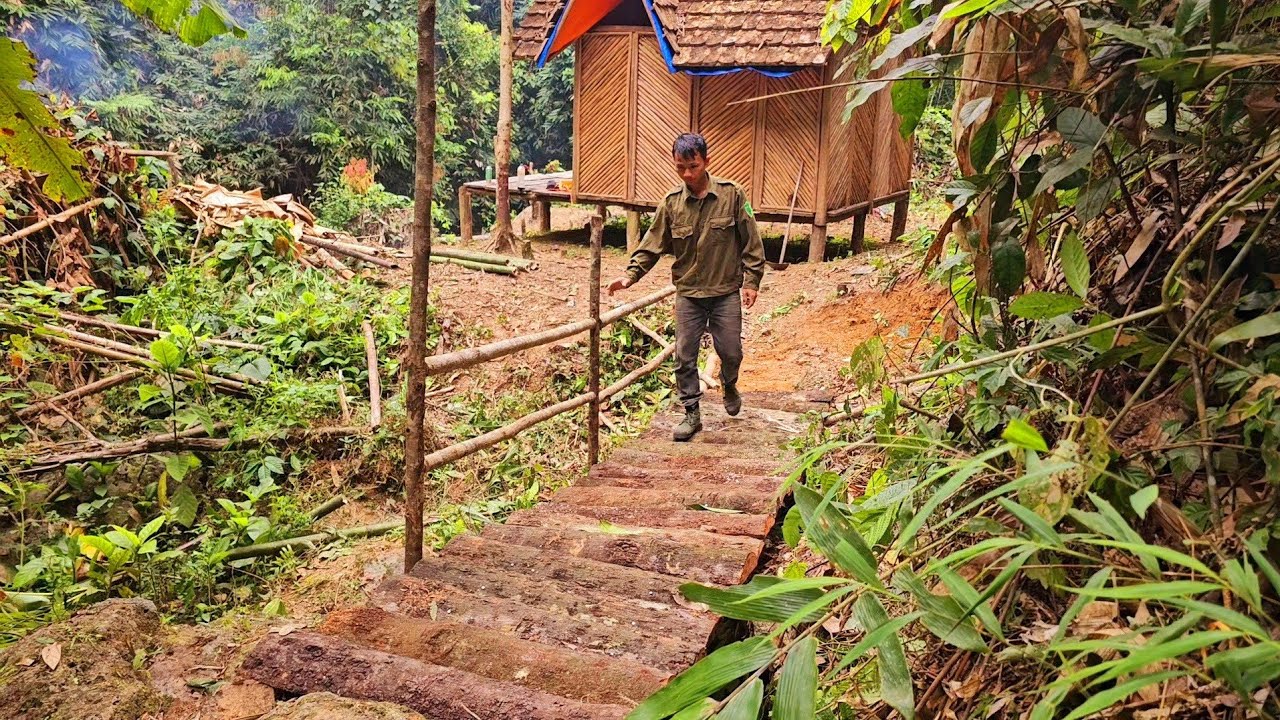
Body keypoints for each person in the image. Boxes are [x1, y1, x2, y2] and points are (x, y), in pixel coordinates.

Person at [607, 133, 765, 442]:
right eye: (680, 168)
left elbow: (751, 242)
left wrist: (752, 281)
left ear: (707, 161)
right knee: (684, 356)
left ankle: (729, 383)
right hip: (689, 294)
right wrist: (630, 276)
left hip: (723, 293)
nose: (687, 174)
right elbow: (651, 244)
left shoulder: (733, 196)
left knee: (731, 351)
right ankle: (692, 412)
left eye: (693, 166)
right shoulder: (671, 204)